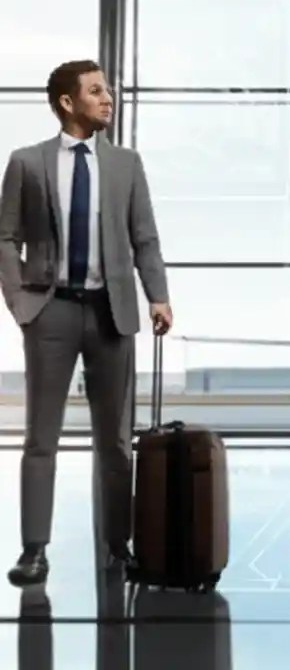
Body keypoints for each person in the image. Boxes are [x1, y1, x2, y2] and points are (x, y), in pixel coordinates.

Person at [0, 59, 172, 586]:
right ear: (67, 103)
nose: (108, 99)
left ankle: (117, 546)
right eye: (96, 91)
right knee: (39, 439)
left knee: (115, 441)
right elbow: (5, 237)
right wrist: (19, 300)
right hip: (50, 312)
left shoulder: (125, 164)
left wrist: (158, 296)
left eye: (109, 91)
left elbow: (145, 236)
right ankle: (34, 550)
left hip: (110, 313)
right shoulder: (27, 162)